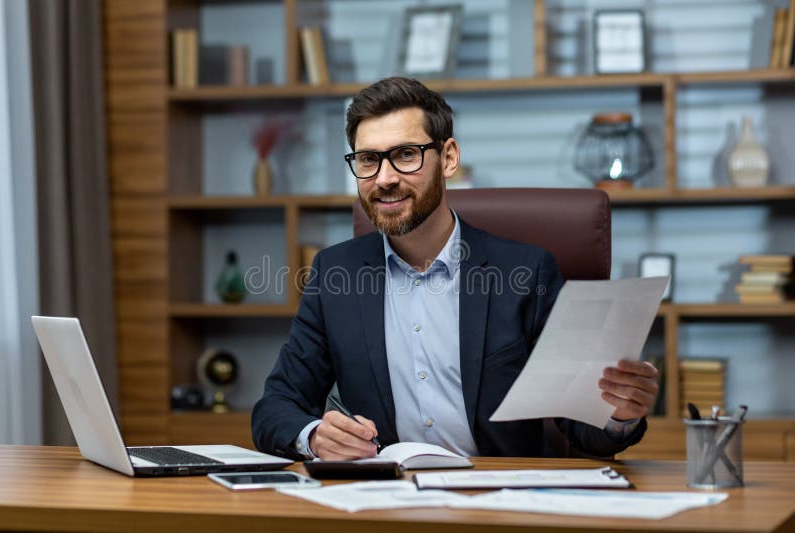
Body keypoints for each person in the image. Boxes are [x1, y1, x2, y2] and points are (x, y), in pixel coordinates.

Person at [252, 77, 658, 461]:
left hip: (501, 501)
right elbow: (275, 408)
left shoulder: (527, 272)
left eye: (406, 155)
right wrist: (314, 436)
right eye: (368, 160)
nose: (385, 178)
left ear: (448, 158)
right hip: (387, 498)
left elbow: (582, 423)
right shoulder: (334, 275)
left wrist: (619, 413)